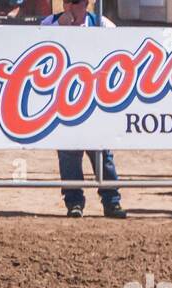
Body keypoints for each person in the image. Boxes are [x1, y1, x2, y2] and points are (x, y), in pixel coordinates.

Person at [42, 0, 126, 219]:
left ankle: (111, 201)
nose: (70, 6)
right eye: (66, 1)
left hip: (96, 98)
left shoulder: (101, 24)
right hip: (62, 100)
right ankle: (74, 202)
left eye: (76, 1)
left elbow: (122, 49)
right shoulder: (50, 23)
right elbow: (37, 45)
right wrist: (59, 26)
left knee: (102, 153)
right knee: (69, 155)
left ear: (86, 4)